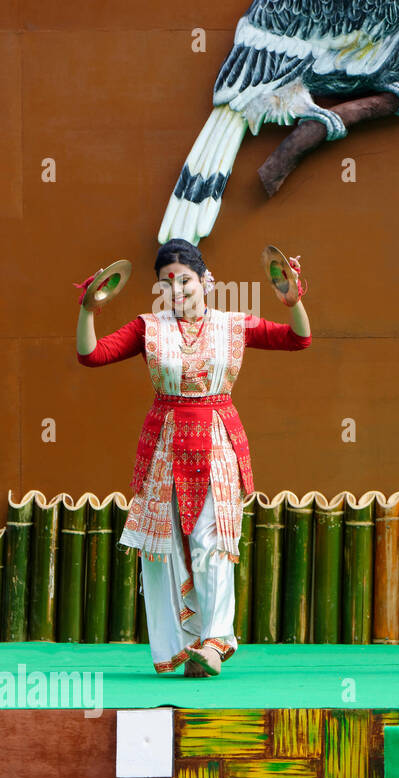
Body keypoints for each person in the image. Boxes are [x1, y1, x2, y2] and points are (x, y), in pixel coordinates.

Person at [76, 239, 311, 676]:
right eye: (167, 283)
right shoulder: (148, 328)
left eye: (185, 279)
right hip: (165, 444)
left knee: (212, 542)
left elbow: (298, 338)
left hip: (217, 439)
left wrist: (292, 301)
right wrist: (88, 309)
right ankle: (180, 647)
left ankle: (217, 641)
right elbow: (91, 355)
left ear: (205, 280)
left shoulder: (232, 325)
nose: (177, 289)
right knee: (161, 549)